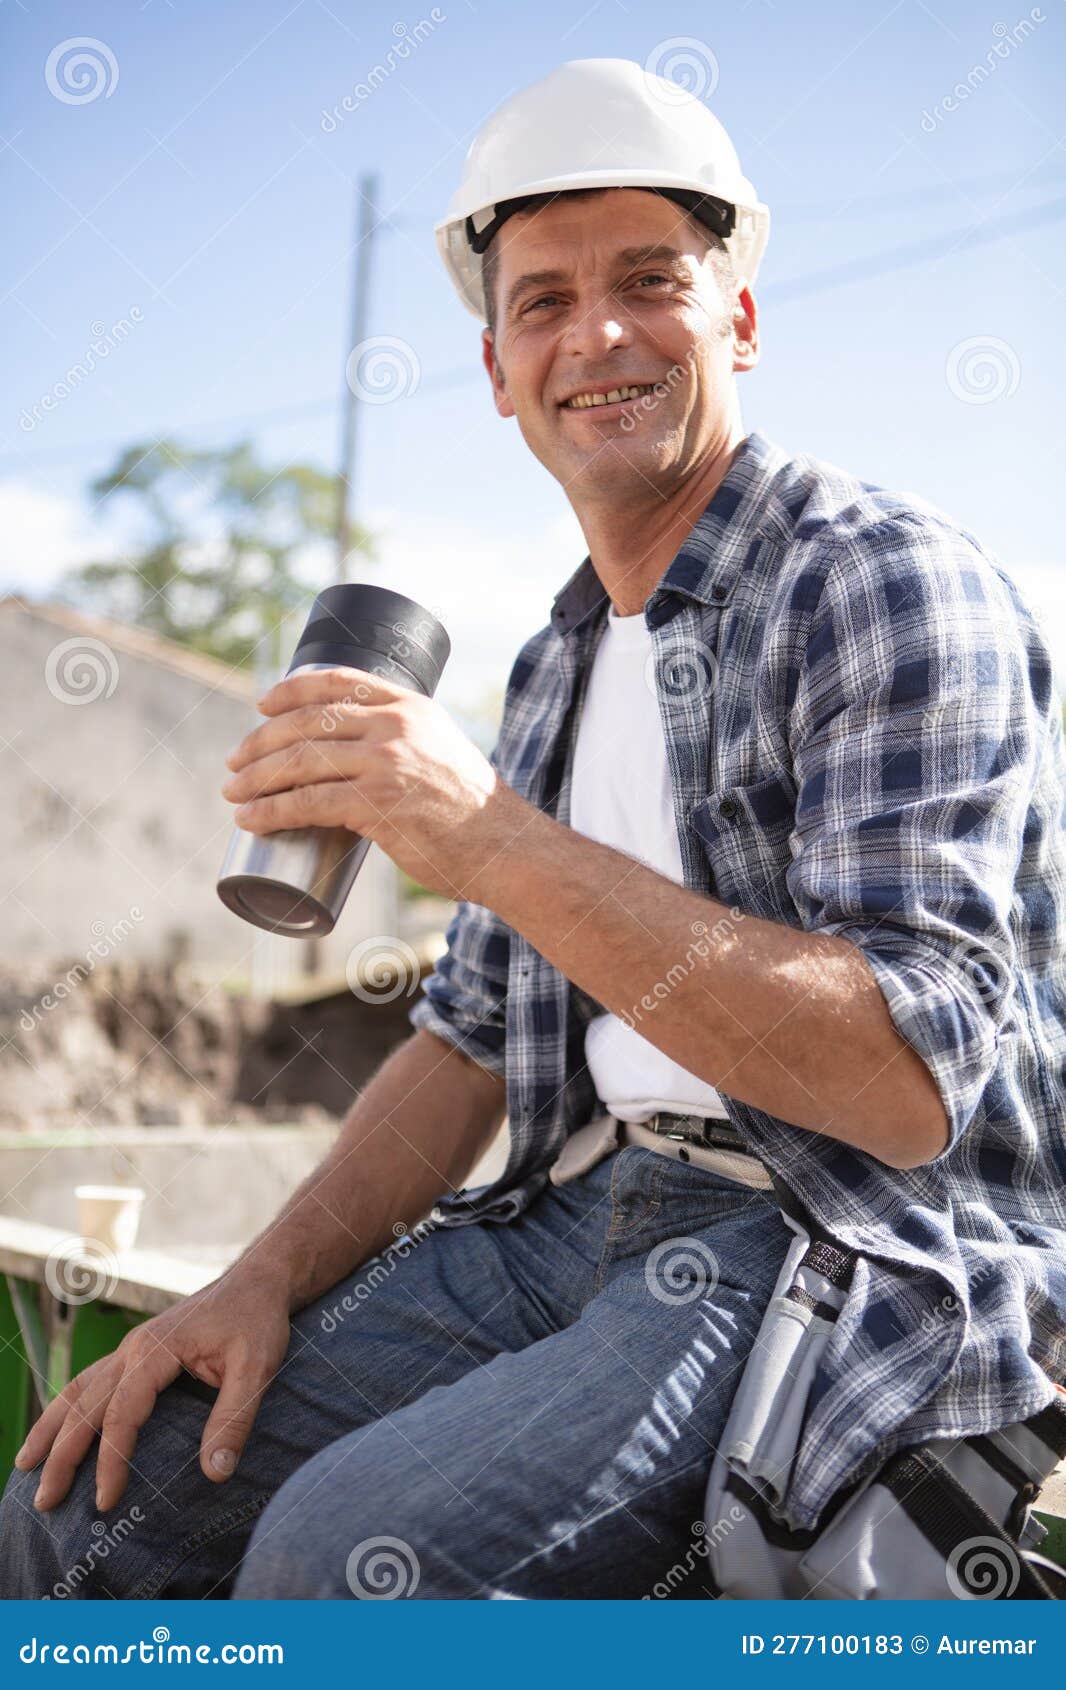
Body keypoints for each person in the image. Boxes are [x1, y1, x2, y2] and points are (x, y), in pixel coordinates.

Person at [3, 57, 1065, 1603]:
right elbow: (467, 1042)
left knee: (342, 1562)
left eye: (649, 282)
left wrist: (488, 834)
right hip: (569, 1215)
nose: (597, 335)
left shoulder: (880, 581)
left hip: (816, 1242)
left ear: (738, 319)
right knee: (83, 1501)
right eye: (543, 303)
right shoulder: (562, 656)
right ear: (497, 369)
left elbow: (905, 1091)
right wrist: (249, 1285)